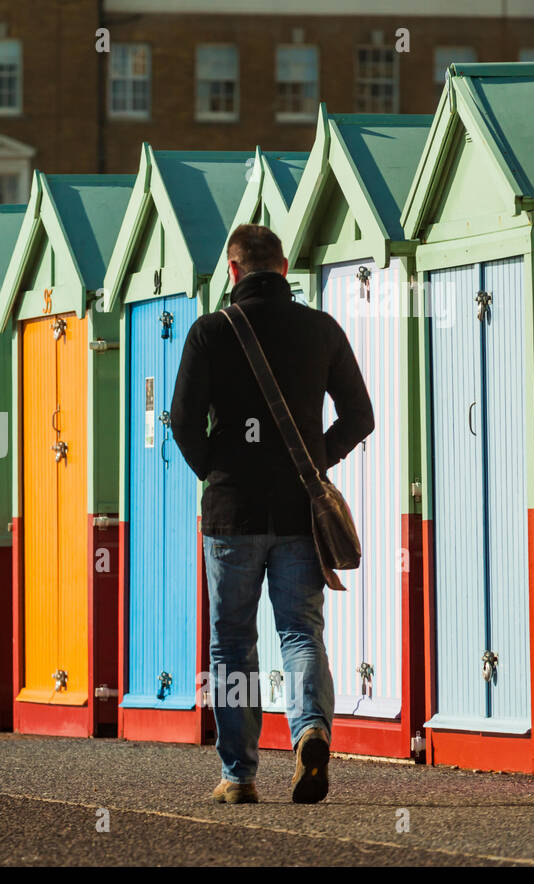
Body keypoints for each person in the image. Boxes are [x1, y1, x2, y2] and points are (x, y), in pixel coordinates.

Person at [169, 224, 374, 804]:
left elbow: (183, 422)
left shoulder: (211, 332)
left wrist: (217, 469)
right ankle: (309, 731)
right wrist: (313, 461)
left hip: (232, 514)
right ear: (284, 269)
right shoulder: (321, 329)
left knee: (232, 643)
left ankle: (240, 776)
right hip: (298, 512)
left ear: (232, 271)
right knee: (300, 632)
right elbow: (360, 415)